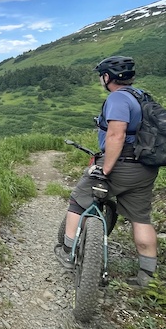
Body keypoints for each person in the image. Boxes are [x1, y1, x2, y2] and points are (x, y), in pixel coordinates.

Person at [54, 56, 159, 287]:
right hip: (146, 168)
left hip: (122, 164)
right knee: (141, 219)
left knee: (78, 200)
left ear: (107, 77)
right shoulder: (142, 96)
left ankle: (68, 250)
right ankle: (146, 276)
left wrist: (105, 170)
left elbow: (116, 135)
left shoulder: (118, 98)